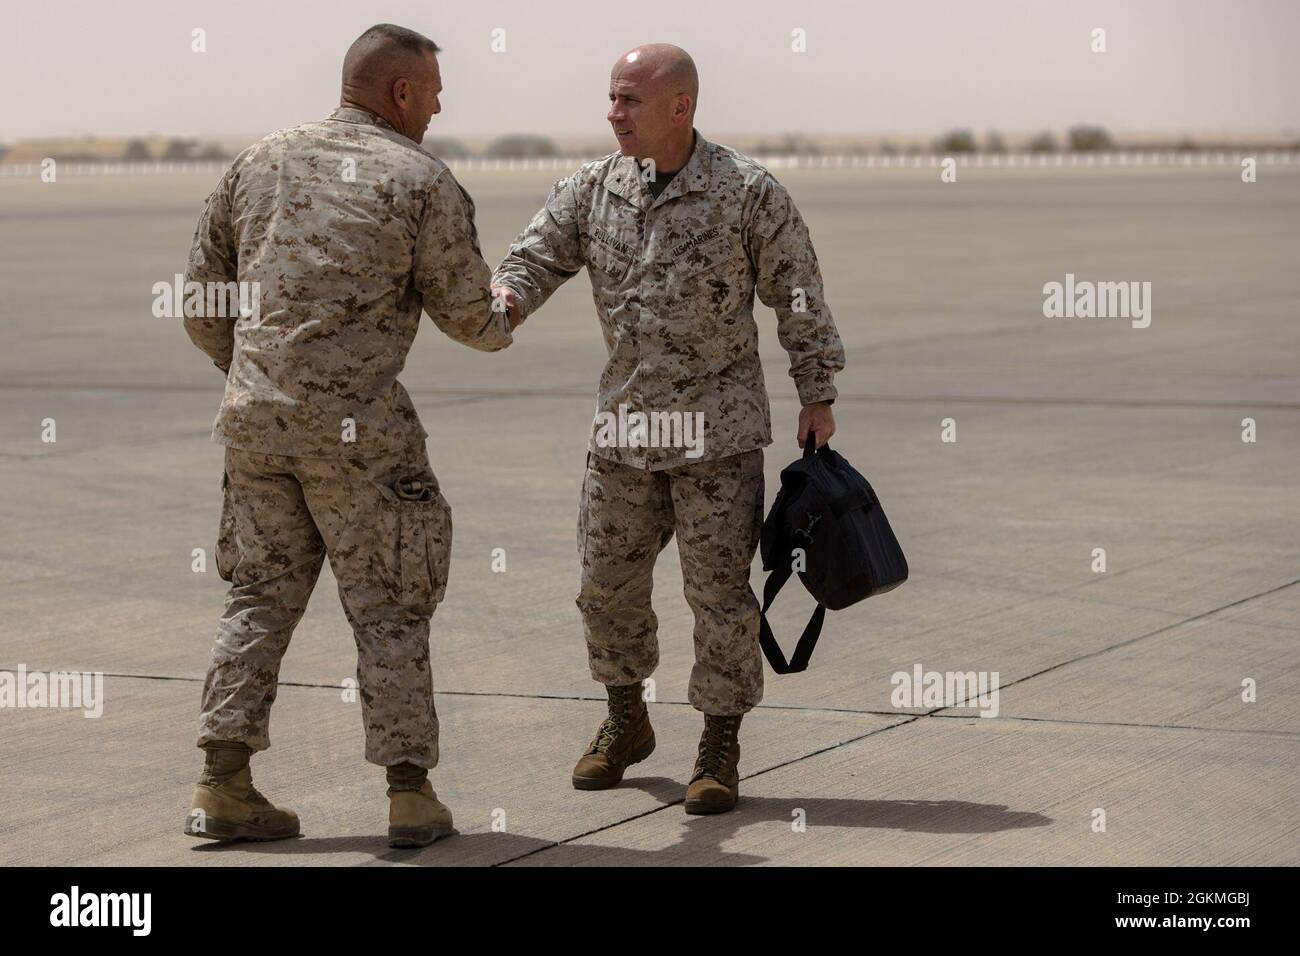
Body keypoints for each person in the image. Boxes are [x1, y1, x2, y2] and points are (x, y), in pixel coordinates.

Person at [181, 23, 514, 847]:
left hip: (256, 429)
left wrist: (265, 380)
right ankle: (408, 795)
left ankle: (223, 782)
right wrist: (513, 300)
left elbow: (202, 305)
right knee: (392, 607)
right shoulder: (419, 178)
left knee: (257, 598)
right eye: (433, 92)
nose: (438, 108)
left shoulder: (257, 162)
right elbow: (474, 320)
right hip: (363, 439)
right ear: (400, 92)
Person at [492, 43, 845, 814]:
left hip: (714, 439)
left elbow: (799, 293)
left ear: (679, 107)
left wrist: (816, 390)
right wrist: (506, 301)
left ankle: (719, 741)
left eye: (627, 100)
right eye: (611, 99)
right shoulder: (593, 189)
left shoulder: (747, 192)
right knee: (604, 587)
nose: (612, 113)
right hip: (623, 436)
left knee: (718, 596)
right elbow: (533, 257)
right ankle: (626, 719)